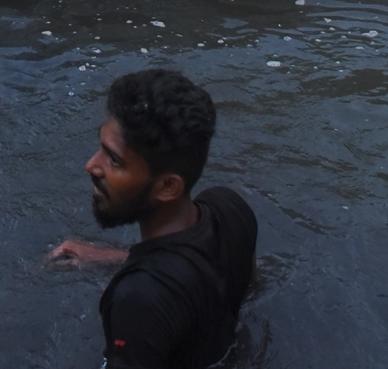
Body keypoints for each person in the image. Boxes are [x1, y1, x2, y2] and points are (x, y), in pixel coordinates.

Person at [48, 69, 258, 369]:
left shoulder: (138, 300)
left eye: (114, 160)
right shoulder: (230, 208)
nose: (91, 166)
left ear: (167, 187)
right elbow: (247, 290)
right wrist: (113, 258)